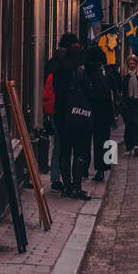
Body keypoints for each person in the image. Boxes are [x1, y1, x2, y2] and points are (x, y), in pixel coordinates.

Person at [53, 36, 94, 200]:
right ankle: (76, 187)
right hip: (78, 115)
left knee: (64, 150)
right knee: (80, 150)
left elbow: (55, 88)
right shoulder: (82, 69)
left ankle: (67, 186)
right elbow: (88, 92)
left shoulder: (57, 68)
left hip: (61, 114)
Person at [44, 33, 73, 193]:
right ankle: (62, 178)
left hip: (54, 111)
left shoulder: (51, 63)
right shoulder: (65, 67)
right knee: (62, 146)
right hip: (62, 111)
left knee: (58, 145)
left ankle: (57, 177)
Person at [84, 46, 115, 181]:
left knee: (86, 141)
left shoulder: (88, 71)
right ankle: (104, 169)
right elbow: (116, 87)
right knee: (105, 140)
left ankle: (84, 170)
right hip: (106, 110)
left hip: (91, 109)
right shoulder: (108, 71)